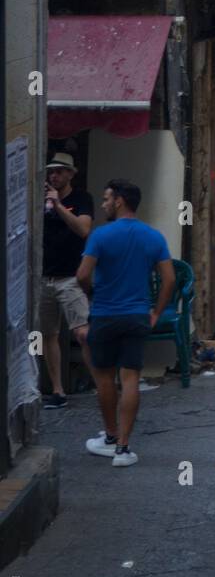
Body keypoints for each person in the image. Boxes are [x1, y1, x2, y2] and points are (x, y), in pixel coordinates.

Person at [77, 180, 174, 467]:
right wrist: (156, 312)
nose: (104, 204)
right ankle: (123, 448)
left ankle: (109, 436)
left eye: (107, 199)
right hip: (137, 315)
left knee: (104, 378)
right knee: (130, 378)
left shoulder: (100, 235)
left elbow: (82, 275)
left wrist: (93, 294)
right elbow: (169, 279)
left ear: (119, 201)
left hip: (105, 314)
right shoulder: (154, 237)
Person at [40, 154, 95, 408]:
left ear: (71, 174)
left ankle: (100, 383)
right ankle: (58, 390)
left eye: (60, 172)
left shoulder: (81, 199)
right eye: (51, 172)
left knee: (82, 332)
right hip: (44, 277)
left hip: (71, 277)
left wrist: (58, 206)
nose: (54, 176)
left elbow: (84, 230)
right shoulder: (41, 201)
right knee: (47, 334)